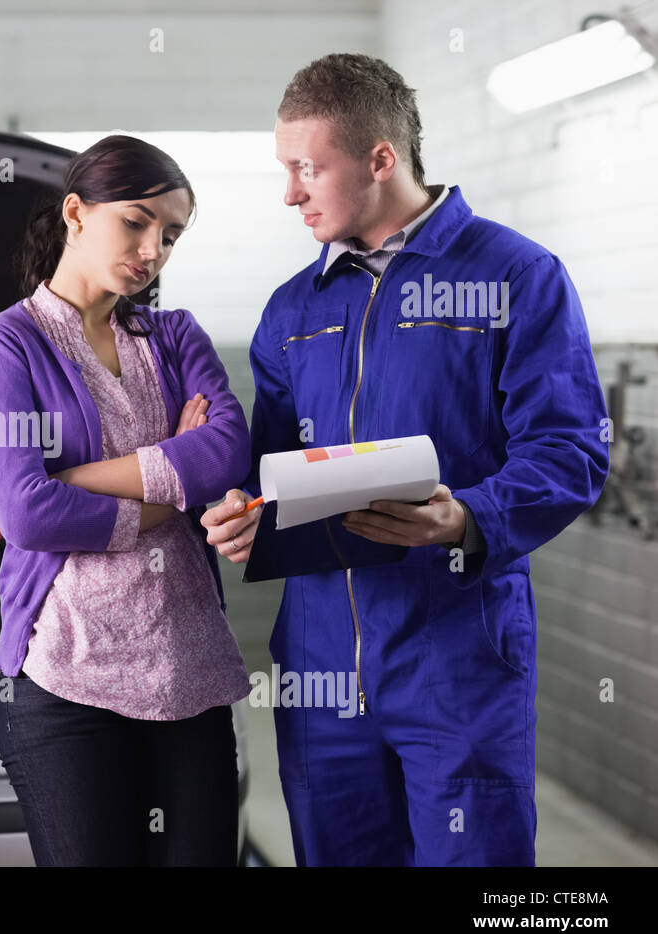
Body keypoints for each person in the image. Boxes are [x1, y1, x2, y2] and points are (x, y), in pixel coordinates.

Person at [201, 53, 610, 866]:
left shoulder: (515, 277)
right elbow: (270, 466)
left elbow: (570, 449)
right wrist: (240, 509)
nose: (290, 194)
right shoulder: (294, 307)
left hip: (456, 657)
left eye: (307, 169)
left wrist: (466, 516)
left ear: (380, 158)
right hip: (320, 669)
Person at [0, 135, 252, 865]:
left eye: (172, 235)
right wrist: (172, 484)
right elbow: (27, 515)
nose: (153, 249)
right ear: (76, 213)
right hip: (66, 682)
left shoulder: (176, 336)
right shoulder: (5, 346)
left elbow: (226, 456)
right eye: (137, 221)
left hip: (193, 677)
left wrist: (74, 483)